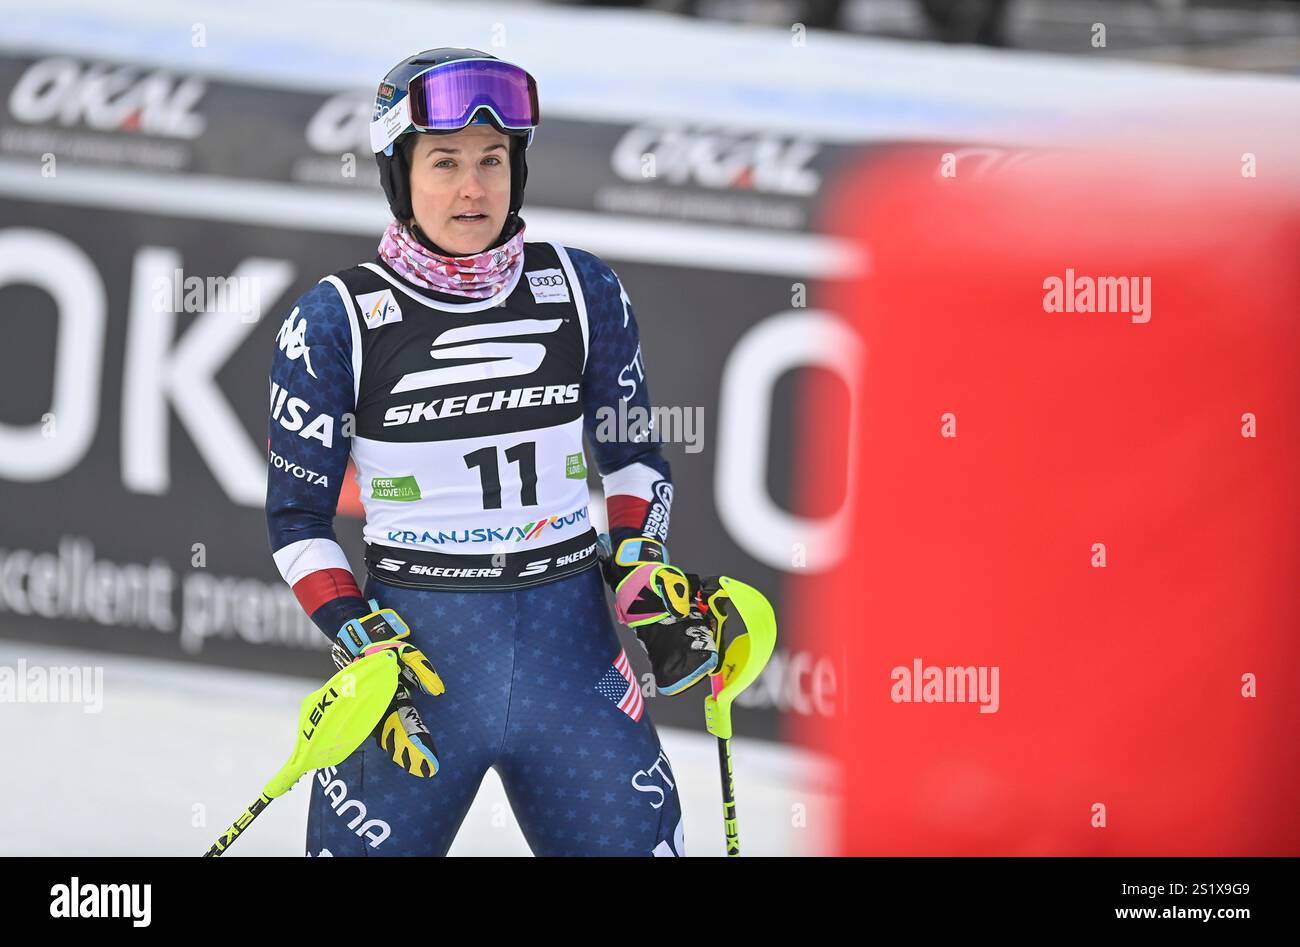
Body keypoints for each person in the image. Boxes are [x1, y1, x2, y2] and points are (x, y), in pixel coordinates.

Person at [265, 47, 718, 856]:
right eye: (444, 162)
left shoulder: (583, 288)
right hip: (423, 670)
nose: (472, 188)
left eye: (493, 161)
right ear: (399, 173)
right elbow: (298, 521)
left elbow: (635, 457)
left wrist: (645, 567)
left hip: (572, 661)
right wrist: (359, 634)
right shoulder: (338, 317)